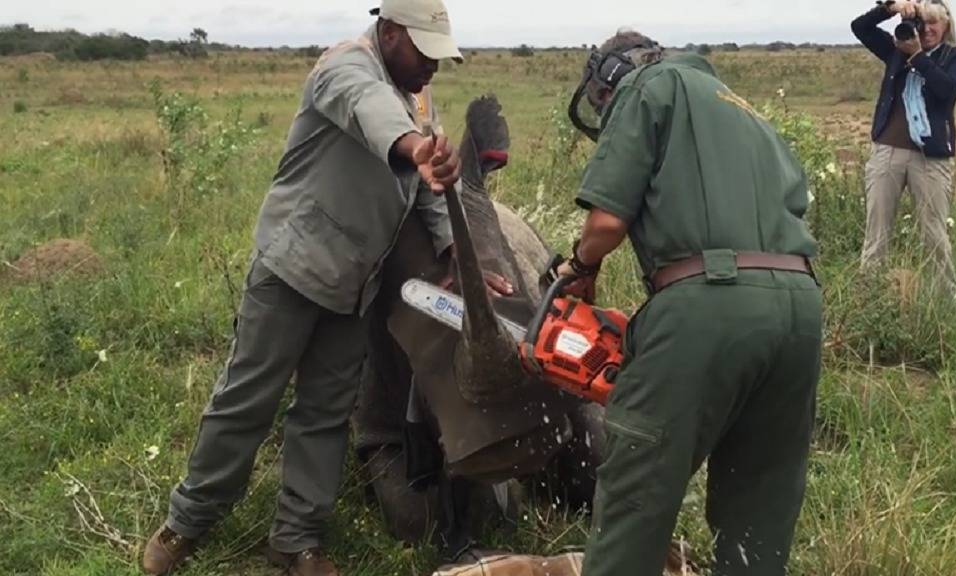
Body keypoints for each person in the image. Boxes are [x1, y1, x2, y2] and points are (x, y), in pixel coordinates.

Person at [140, 1, 506, 574]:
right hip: (294, 268)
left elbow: (426, 187)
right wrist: (416, 148)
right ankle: (187, 522)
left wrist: (459, 253)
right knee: (246, 399)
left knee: (326, 413)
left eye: (441, 58)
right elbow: (375, 116)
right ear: (389, 33)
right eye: (424, 53)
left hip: (356, 284)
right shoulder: (346, 67)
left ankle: (295, 538)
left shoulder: (416, 98)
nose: (433, 68)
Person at [558, 30, 824, 575]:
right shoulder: (741, 109)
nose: (603, 108)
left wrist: (579, 267)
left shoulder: (644, 87)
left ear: (610, 76)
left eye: (601, 100)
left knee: (637, 488)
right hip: (799, 305)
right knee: (760, 504)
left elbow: (607, 220)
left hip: (710, 302)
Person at [853, 0, 956, 296]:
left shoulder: (953, 56)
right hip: (887, 150)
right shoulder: (895, 51)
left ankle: (943, 301)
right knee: (877, 231)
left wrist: (918, 56)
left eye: (933, 23)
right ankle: (869, 297)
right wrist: (890, 7)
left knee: (935, 234)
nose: (925, 30)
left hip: (931, 157)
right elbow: (859, 27)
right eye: (920, 22)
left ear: (947, 26)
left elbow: (948, 90)